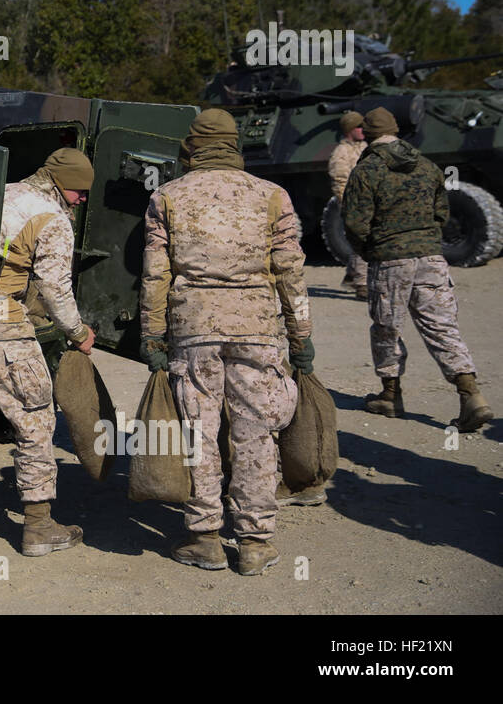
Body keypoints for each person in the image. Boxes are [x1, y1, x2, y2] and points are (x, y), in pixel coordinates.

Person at [140, 109, 312, 576]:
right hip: (256, 327)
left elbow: (155, 274)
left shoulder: (167, 197)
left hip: (193, 328)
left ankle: (205, 537)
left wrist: (151, 334)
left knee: (198, 431)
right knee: (256, 431)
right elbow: (291, 273)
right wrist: (301, 337)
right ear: (236, 145)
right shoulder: (273, 196)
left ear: (192, 147)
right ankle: (255, 542)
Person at [0, 148, 95, 557]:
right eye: (79, 191)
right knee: (36, 418)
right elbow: (56, 290)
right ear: (62, 184)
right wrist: (78, 333)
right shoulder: (52, 218)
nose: (81, 199)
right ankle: (39, 526)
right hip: (4, 325)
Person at [342, 107, 492, 432]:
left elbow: (354, 223)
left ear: (366, 135)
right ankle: (472, 396)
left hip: (389, 260)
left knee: (387, 326)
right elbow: (442, 213)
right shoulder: (427, 165)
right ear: (398, 131)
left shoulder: (366, 169)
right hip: (431, 258)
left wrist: (371, 250)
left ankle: (390, 395)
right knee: (441, 326)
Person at [328, 110, 368, 299]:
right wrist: (350, 204)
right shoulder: (341, 152)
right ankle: (362, 285)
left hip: (369, 202)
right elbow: (340, 181)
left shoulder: (365, 146)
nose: (363, 129)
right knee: (362, 242)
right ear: (349, 129)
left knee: (364, 242)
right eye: (359, 126)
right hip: (355, 204)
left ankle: (353, 275)